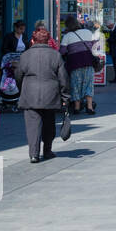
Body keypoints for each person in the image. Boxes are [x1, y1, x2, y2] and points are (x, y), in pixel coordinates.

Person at [15, 29, 68, 163]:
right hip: (50, 95)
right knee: (49, 124)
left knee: (32, 126)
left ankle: (34, 154)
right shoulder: (55, 55)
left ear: (32, 40)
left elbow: (18, 75)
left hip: (30, 95)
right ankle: (47, 150)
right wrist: (65, 97)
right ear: (48, 41)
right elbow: (63, 78)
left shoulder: (25, 55)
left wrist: (23, 89)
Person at [60, 14, 100, 115]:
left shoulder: (67, 36)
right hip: (88, 62)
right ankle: (90, 107)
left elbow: (62, 51)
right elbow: (96, 46)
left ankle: (77, 107)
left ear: (68, 26)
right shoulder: (87, 32)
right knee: (88, 84)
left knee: (75, 84)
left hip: (74, 64)